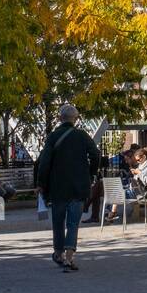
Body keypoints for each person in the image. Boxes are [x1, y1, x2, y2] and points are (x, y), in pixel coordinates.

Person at [37, 103, 101, 271]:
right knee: (73, 223)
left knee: (58, 222)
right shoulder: (82, 136)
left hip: (58, 187)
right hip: (78, 186)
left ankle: (58, 254)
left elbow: (44, 162)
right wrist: (91, 173)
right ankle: (70, 257)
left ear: (60, 118)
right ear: (76, 119)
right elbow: (95, 155)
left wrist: (41, 183)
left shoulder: (52, 137)